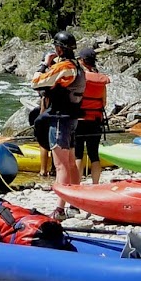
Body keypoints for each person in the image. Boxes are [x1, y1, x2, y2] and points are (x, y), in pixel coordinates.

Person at [31, 31, 86, 187]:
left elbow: (35, 82)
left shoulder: (64, 66)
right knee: (70, 163)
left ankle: (60, 208)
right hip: (72, 118)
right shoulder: (78, 66)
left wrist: (44, 63)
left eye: (56, 46)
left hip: (60, 119)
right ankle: (75, 201)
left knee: (61, 166)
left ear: (60, 49)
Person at [74, 47, 111, 184]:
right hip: (95, 120)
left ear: (82, 61)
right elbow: (104, 102)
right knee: (94, 154)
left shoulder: (79, 77)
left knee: (78, 154)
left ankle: (77, 185)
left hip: (79, 120)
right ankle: (95, 184)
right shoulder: (101, 80)